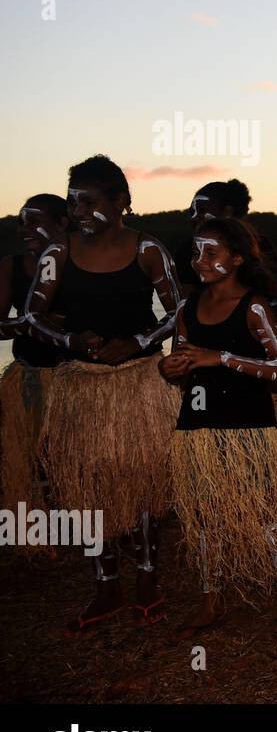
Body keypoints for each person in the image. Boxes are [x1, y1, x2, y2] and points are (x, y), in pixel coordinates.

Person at [25, 155, 183, 632]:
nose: (77, 211)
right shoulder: (58, 254)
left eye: (89, 201)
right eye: (73, 202)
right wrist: (70, 340)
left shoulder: (147, 248)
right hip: (81, 387)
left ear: (121, 202)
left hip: (138, 382)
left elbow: (181, 311)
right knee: (86, 486)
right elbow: (33, 315)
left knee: (143, 481)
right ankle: (105, 584)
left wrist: (140, 342)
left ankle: (148, 580)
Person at [159, 217, 277, 635]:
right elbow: (180, 364)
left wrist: (219, 358)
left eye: (212, 252)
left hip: (249, 427)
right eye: (196, 252)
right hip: (197, 428)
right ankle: (211, 599)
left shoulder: (255, 307)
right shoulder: (188, 308)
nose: (200, 261)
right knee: (204, 515)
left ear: (237, 258)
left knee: (264, 510)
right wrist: (169, 366)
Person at [0, 194, 69, 519]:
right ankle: (35, 520)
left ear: (61, 224)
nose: (24, 228)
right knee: (29, 455)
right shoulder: (11, 267)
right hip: (29, 375)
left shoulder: (80, 263)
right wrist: (29, 324)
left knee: (69, 454)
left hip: (76, 376)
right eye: (20, 222)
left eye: (33, 221)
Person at [174, 179, 277, 305]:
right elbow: (188, 304)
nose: (193, 218)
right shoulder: (187, 251)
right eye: (191, 212)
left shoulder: (260, 244)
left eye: (201, 210)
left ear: (227, 212)